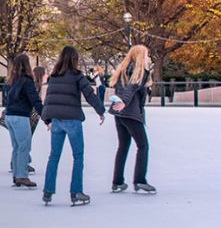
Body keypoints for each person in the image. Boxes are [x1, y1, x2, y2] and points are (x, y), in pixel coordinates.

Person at [41, 46, 105, 206]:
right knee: (78, 156)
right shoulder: (77, 76)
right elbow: (89, 93)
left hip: (56, 120)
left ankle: (48, 191)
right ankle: (76, 192)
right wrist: (101, 111)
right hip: (72, 120)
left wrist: (47, 119)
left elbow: (49, 99)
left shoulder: (54, 76)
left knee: (54, 156)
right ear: (74, 59)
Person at [109, 45, 156, 194]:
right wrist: (123, 102)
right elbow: (131, 89)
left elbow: (126, 88)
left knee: (123, 146)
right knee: (143, 146)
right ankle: (140, 180)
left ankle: (117, 182)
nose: (149, 57)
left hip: (120, 114)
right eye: (147, 55)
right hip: (130, 113)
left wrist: (121, 103)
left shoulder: (123, 70)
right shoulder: (139, 72)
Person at [3, 54, 43, 189]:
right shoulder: (27, 80)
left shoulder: (11, 80)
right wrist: (45, 115)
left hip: (9, 116)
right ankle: (22, 176)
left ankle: (16, 174)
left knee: (16, 147)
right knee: (24, 146)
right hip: (20, 116)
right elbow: (35, 99)